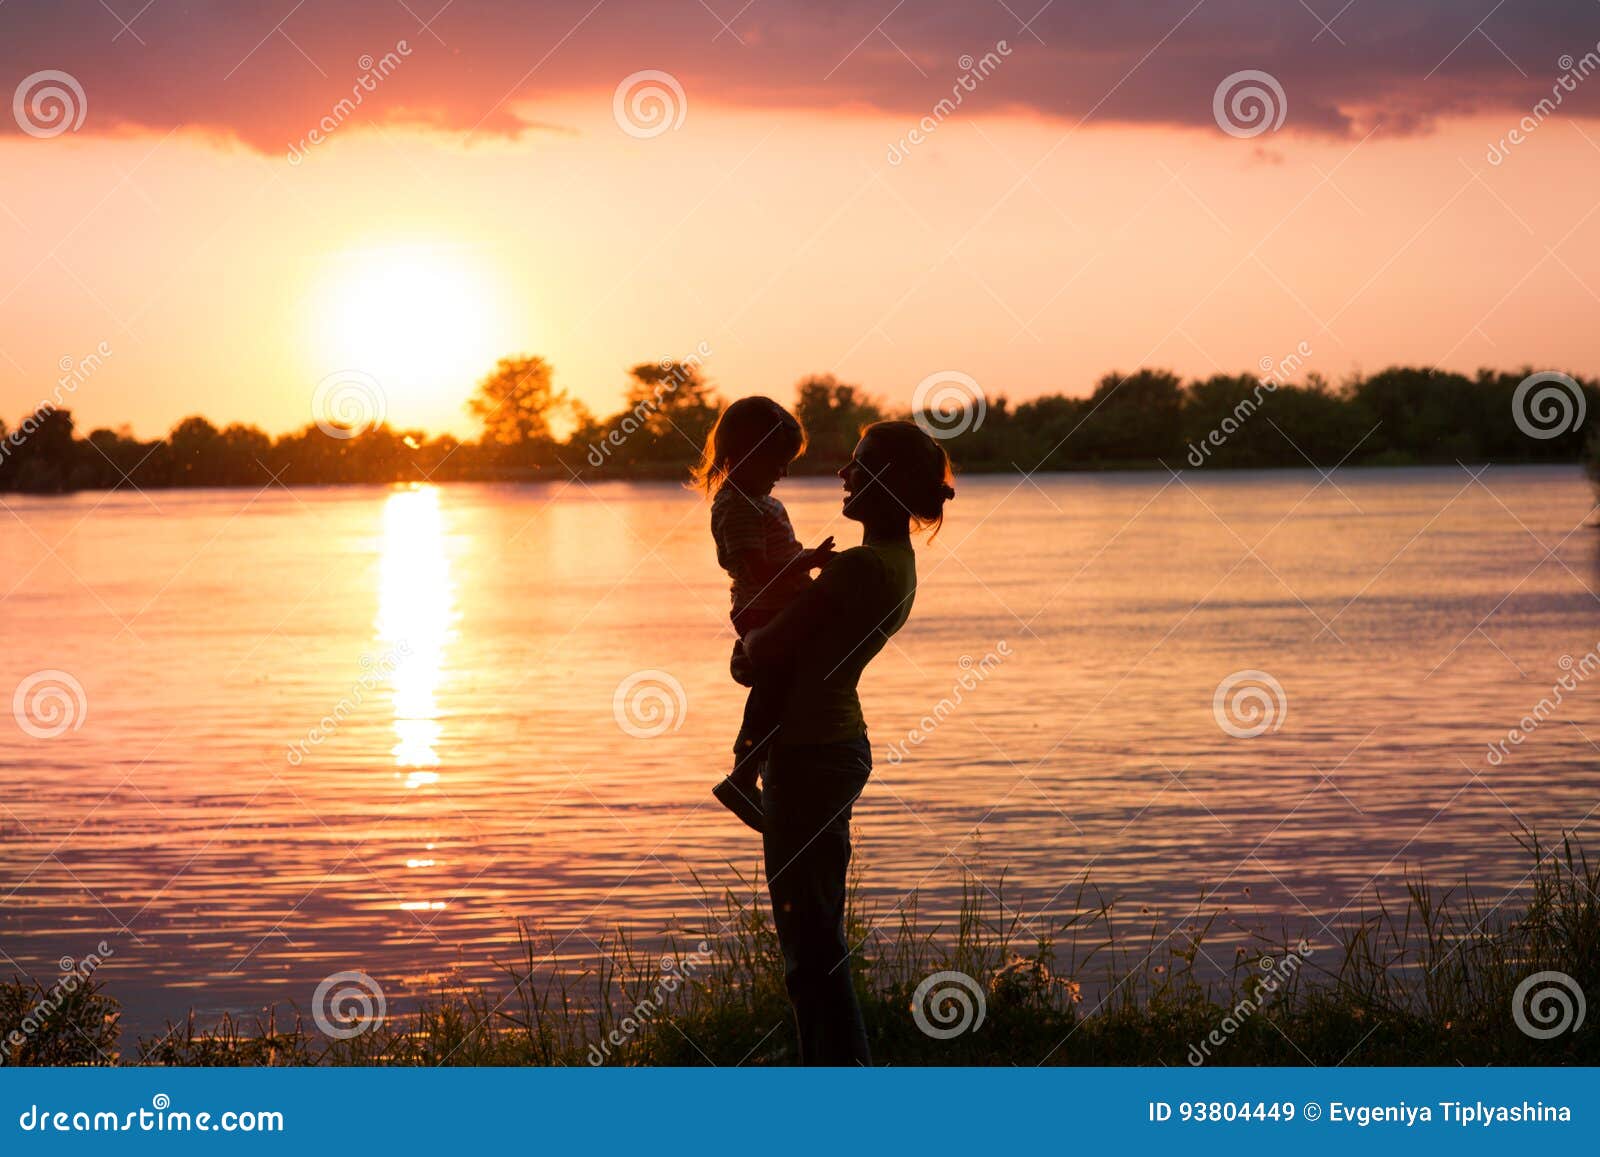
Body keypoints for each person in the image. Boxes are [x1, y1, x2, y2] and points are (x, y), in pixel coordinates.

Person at [743, 419, 955, 1065]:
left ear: (884, 478)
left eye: (857, 462)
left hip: (810, 756)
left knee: (810, 950)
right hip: (830, 749)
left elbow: (761, 652)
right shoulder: (893, 562)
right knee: (816, 942)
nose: (844, 472)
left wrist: (747, 641)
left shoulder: (859, 567)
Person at [692, 396, 837, 832]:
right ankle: (743, 772)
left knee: (784, 687)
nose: (783, 473)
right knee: (774, 689)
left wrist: (808, 565)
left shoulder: (755, 500)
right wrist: (806, 562)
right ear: (747, 454)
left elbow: (775, 557)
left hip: (775, 606)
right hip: (761, 611)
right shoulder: (737, 506)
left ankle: (753, 764)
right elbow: (757, 570)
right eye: (777, 462)